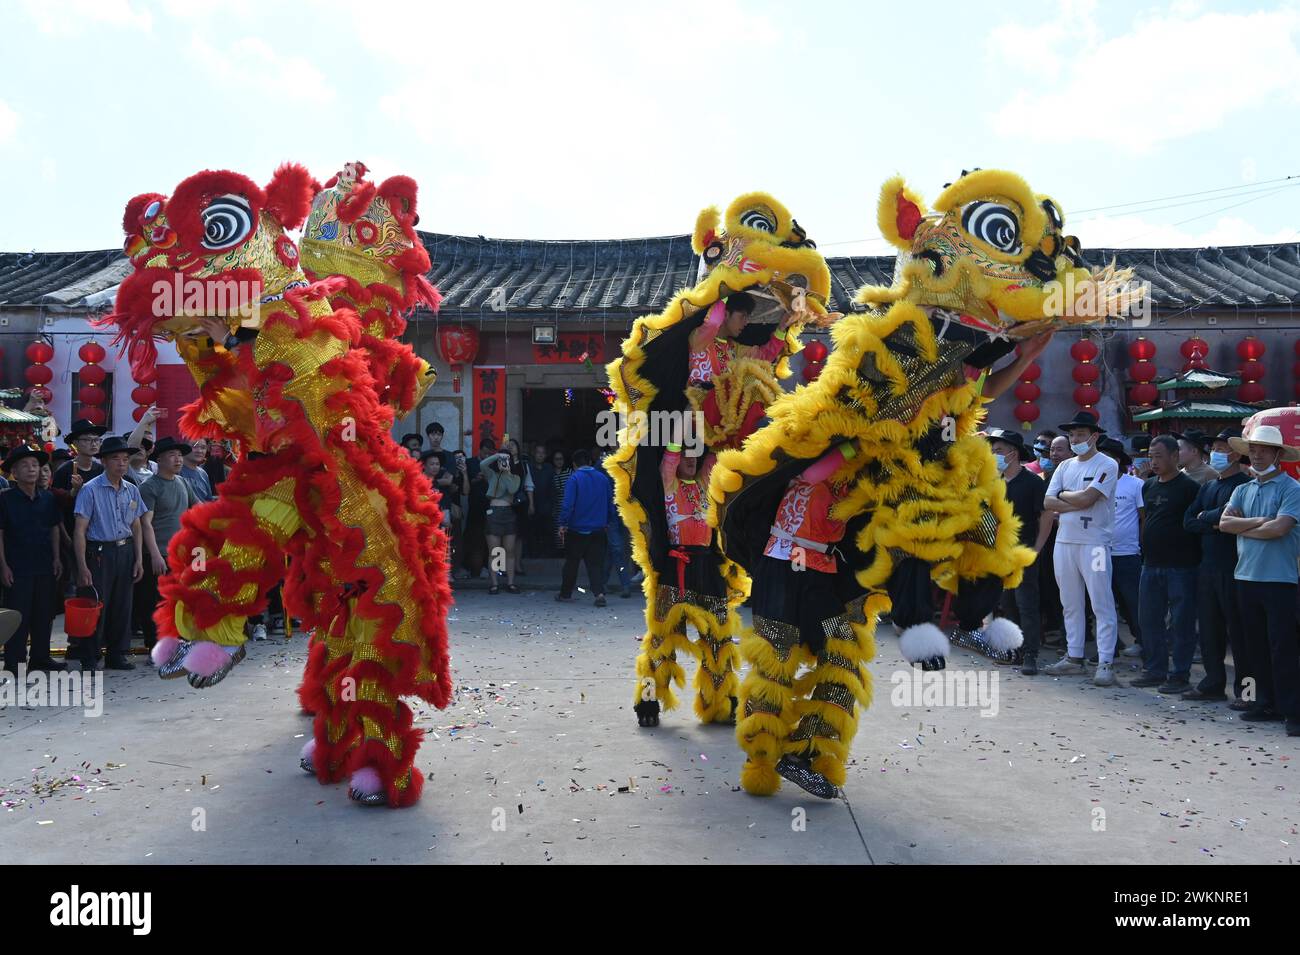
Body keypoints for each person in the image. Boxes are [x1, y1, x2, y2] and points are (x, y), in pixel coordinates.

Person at [1219, 424, 1300, 734]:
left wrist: (1245, 527)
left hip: (1279, 579)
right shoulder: (1243, 489)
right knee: (1252, 646)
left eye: (1264, 450)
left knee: (1283, 647)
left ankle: (1292, 711)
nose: (1257, 454)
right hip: (1245, 577)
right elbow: (1225, 524)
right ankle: (1262, 702)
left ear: (1278, 454)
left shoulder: (1291, 488)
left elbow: (1280, 529)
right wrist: (1260, 522)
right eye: (1253, 449)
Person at [1043, 412, 1119, 686]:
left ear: (1094, 436)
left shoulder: (1107, 464)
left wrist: (1065, 495)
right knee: (1070, 602)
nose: (1075, 440)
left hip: (1095, 544)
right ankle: (1074, 657)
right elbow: (1048, 502)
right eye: (1072, 435)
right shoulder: (1064, 467)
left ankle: (1105, 661)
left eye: (1080, 435)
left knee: (1101, 602)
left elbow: (1089, 498)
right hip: (1065, 542)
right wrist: (1072, 499)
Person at [1182, 426, 1252, 705]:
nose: (1216, 453)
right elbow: (1189, 521)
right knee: (1210, 630)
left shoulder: (1244, 486)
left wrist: (1208, 518)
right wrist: (1215, 522)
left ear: (1236, 454)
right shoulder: (1209, 486)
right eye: (1214, 448)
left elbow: (1230, 520)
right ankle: (1212, 683)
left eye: (1222, 448)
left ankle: (1248, 692)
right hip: (1207, 566)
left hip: (1235, 567)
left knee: (1241, 633)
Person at [1131, 435, 1201, 693]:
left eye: (1159, 456)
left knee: (1182, 623)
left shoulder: (1190, 488)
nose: (1153, 461)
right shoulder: (1148, 486)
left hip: (1182, 566)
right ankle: (1155, 669)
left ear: (1174, 456)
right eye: (1151, 456)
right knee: (1149, 620)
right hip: (1150, 564)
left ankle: (1180, 675)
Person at [72, 435, 147, 671]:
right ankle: (89, 656)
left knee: (123, 605)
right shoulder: (90, 489)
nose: (121, 463)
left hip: (125, 550)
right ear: (104, 461)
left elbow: (136, 524)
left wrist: (139, 558)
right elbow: (80, 530)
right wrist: (82, 566)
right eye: (115, 458)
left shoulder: (131, 489)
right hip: (99, 553)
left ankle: (117, 654)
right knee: (95, 605)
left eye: (125, 459)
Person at [986, 428, 1051, 675]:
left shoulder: (1033, 482)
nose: (994, 455)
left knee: (1027, 604)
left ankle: (1030, 654)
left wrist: (1037, 548)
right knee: (1006, 603)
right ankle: (1015, 650)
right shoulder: (995, 483)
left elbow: (1046, 515)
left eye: (998, 450)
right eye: (992, 451)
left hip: (1024, 549)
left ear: (1012, 454)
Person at [0, 445, 64, 674]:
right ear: (14, 472)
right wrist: (3, 566)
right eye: (25, 465)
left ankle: (40, 657)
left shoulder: (47, 498)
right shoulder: (5, 499)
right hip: (17, 567)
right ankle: (14, 662)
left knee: (43, 614)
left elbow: (54, 529)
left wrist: (57, 558)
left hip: (44, 564)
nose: (31, 469)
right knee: (18, 615)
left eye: (35, 465)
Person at [137, 436, 198, 651]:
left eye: (180, 455)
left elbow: (198, 510)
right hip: (158, 553)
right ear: (159, 459)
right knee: (155, 602)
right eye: (172, 455)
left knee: (180, 601)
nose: (178, 459)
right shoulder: (149, 486)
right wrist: (154, 554)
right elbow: (145, 523)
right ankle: (155, 647)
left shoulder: (183, 482)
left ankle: (178, 643)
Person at [51, 418, 107, 601]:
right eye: (88, 440)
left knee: (98, 581)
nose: (93, 444)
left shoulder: (101, 469)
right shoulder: (64, 471)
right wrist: (65, 537)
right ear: (75, 443)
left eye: (96, 440)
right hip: (72, 533)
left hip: (97, 534)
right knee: (79, 582)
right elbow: (56, 508)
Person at [1102, 437, 1144, 659]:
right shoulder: (1094, 483)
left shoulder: (1135, 484)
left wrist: (1141, 547)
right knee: (1102, 601)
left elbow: (1143, 518)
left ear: (1117, 460)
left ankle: (1142, 641)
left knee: (1132, 601)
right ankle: (1110, 645)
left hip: (1127, 553)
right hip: (1099, 552)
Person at [556, 448, 615, 607]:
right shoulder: (603, 478)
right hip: (598, 529)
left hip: (577, 529)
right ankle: (599, 594)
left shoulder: (574, 479)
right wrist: (608, 521)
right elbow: (611, 503)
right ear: (590, 462)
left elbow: (568, 505)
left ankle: (565, 594)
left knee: (572, 563)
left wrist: (563, 524)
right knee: (595, 564)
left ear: (574, 465)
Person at [482, 448, 521, 594]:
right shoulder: (492, 475)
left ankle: (511, 583)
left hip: (508, 513)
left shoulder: (515, 477)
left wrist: (507, 472)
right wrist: (497, 455)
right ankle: (494, 583)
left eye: (506, 460)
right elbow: (482, 465)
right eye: (501, 461)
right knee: (494, 551)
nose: (503, 462)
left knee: (509, 551)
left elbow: (512, 490)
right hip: (494, 513)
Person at [529, 444, 556, 558]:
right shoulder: (529, 468)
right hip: (533, 506)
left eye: (543, 453)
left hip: (546, 506)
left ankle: (547, 556)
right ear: (534, 454)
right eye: (538, 452)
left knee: (547, 532)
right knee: (533, 532)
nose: (540, 455)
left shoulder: (549, 468)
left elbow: (552, 489)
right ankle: (533, 555)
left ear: (546, 455)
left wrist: (552, 506)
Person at [550, 449, 573, 553]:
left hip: (567, 506)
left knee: (568, 530)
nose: (559, 461)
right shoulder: (551, 473)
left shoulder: (569, 472)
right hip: (555, 507)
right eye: (556, 459)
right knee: (557, 530)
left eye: (561, 459)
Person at [181, 438, 216, 503]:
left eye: (203, 447)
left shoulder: (203, 473)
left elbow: (208, 500)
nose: (199, 451)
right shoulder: (175, 471)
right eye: (194, 446)